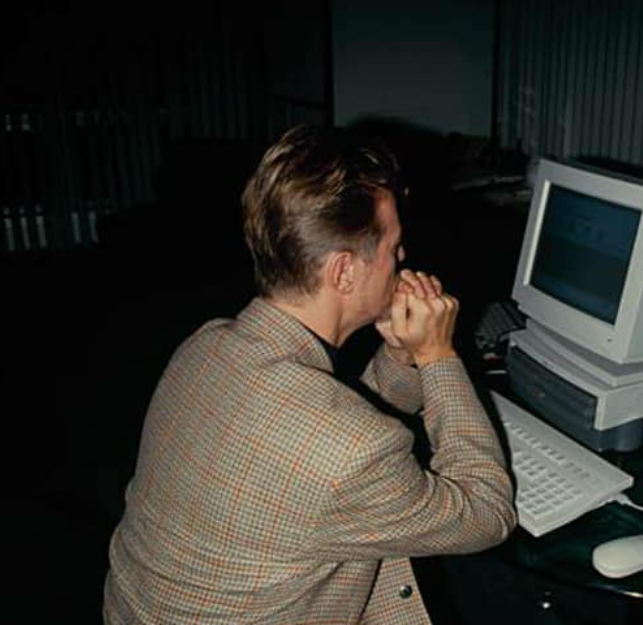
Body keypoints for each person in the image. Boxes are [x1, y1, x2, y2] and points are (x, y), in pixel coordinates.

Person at [102, 125, 517, 624]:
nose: (402, 259)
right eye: (393, 246)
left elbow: (335, 421)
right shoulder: (348, 449)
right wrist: (438, 355)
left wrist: (402, 352)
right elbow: (488, 514)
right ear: (344, 272)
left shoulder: (206, 344)